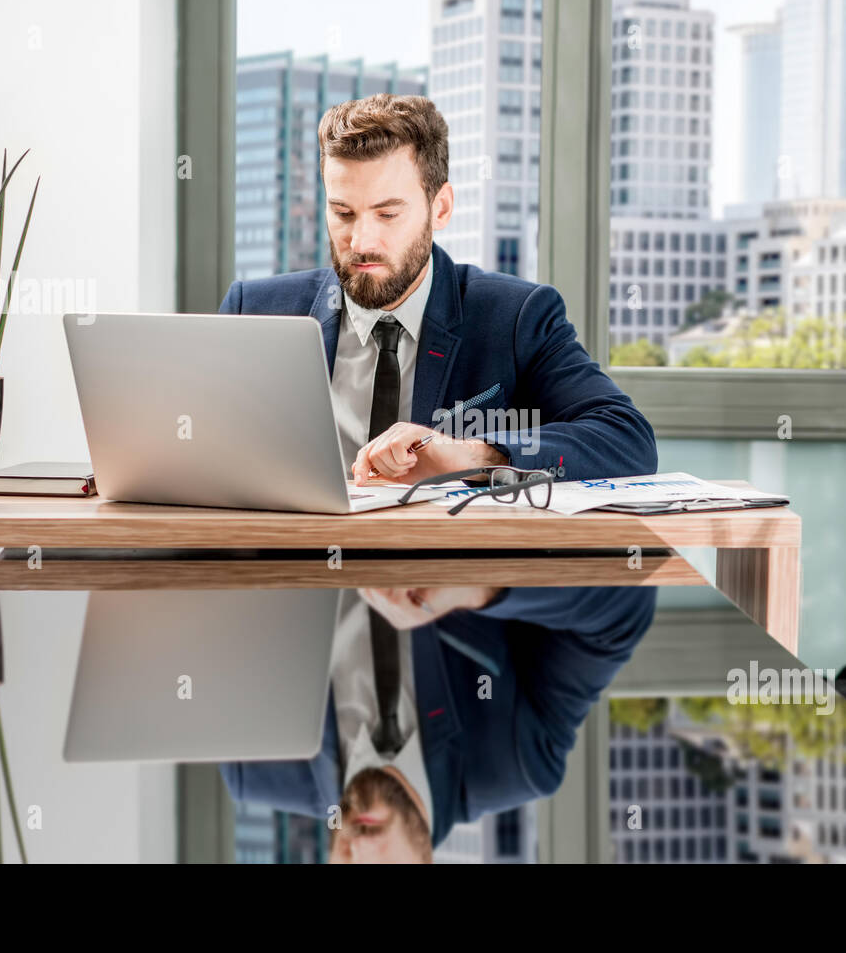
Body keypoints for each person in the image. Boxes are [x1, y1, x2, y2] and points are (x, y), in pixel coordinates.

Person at [218, 93, 656, 486]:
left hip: (443, 566)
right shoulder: (253, 310)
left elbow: (626, 439)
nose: (361, 242)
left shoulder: (516, 315)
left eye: (387, 215)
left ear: (440, 207)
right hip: (292, 561)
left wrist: (475, 455)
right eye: (343, 213)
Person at [219, 584, 658, 863]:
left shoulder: (259, 767)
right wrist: (482, 590)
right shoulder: (515, 760)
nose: (359, 850)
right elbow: (627, 602)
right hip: (437, 453)